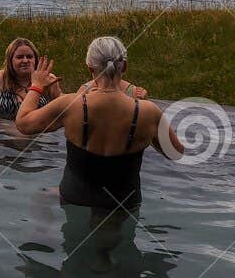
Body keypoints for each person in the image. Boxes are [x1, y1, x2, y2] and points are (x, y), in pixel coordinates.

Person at [14, 36, 183, 210]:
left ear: (90, 69)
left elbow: (23, 123)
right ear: (124, 67)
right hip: (123, 203)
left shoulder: (71, 105)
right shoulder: (149, 111)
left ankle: (40, 233)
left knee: (44, 199)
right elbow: (175, 153)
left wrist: (36, 86)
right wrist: (148, 133)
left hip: (75, 197)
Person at [0, 38, 59, 117]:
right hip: (2, 133)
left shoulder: (47, 80)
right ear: (10, 60)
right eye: (19, 57)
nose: (25, 60)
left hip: (39, 132)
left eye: (29, 57)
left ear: (36, 59)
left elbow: (61, 101)